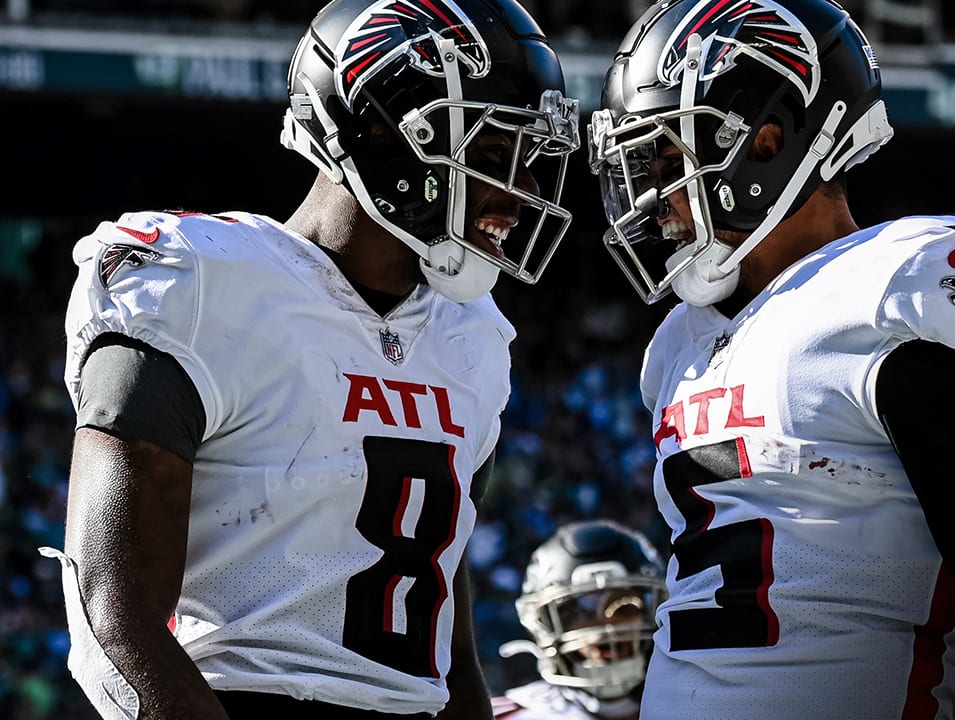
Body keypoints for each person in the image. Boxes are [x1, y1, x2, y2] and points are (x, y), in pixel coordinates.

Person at [40, 0, 580, 717]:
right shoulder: (197, 281)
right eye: (489, 155)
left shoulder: (473, 335)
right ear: (381, 133)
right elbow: (111, 622)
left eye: (529, 162)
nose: (523, 193)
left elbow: (446, 640)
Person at [586, 0, 955, 718]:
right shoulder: (676, 344)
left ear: (767, 143)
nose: (652, 200)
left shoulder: (894, 281)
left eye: (669, 160)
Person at [490, 520, 667, 720]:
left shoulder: (695, 701)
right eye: (581, 612)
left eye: (624, 607)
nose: (605, 628)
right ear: (543, 623)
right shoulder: (511, 715)